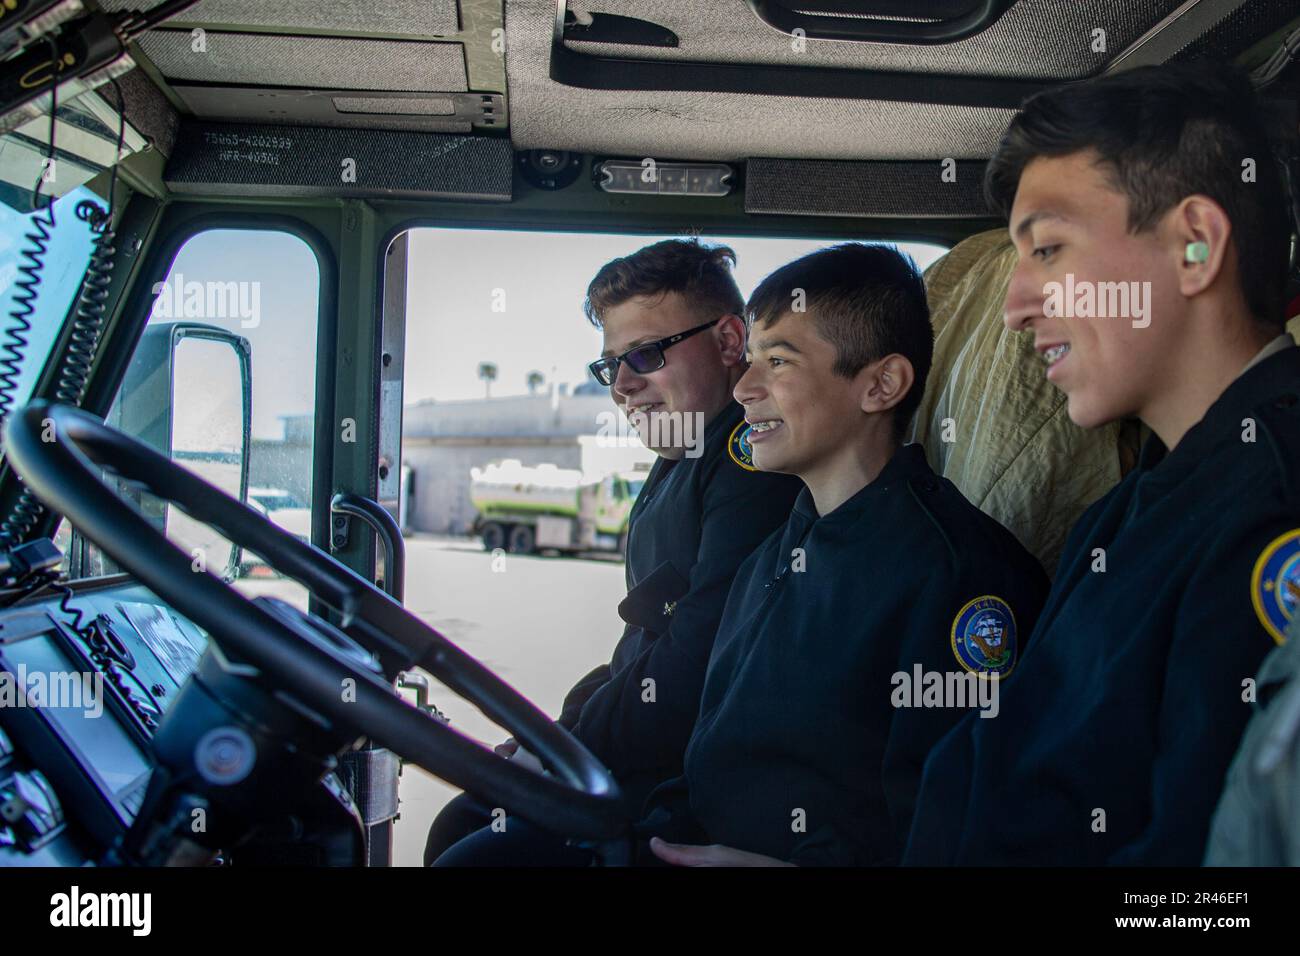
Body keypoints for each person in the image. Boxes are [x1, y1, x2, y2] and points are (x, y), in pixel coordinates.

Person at [438, 243, 1049, 866]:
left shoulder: (958, 576)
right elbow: (714, 744)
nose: (748, 387)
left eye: (777, 362)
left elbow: (961, 830)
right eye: (751, 360)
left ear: (882, 384)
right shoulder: (776, 554)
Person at [899, 61, 1300, 866]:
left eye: (1048, 249)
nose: (1015, 305)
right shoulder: (1133, 502)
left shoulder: (1272, 508)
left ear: (1196, 247)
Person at [423, 240, 802, 865]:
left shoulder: (748, 463)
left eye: (646, 355)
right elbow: (642, 648)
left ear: (731, 340)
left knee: (476, 856)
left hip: (685, 785)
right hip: (642, 758)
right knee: (465, 821)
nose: (622, 387)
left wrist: (569, 752)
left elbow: (696, 665)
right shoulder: (681, 456)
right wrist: (557, 736)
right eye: (610, 367)